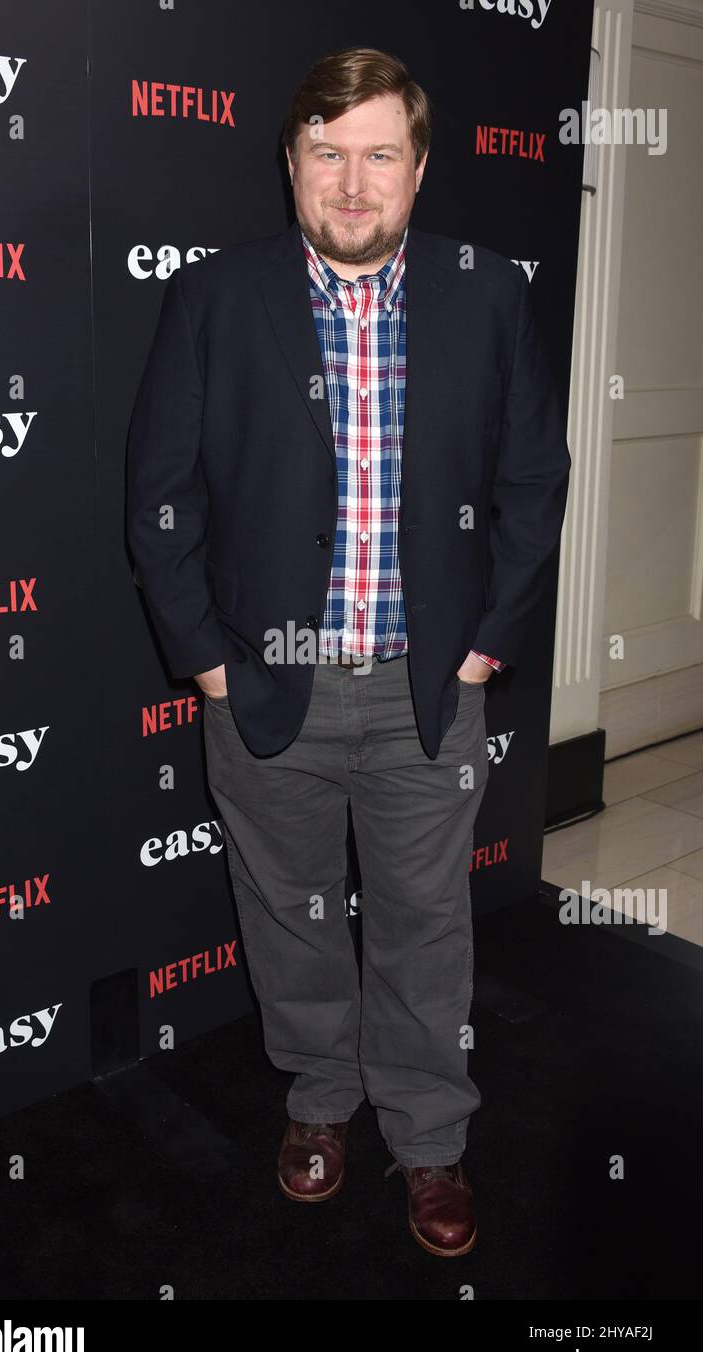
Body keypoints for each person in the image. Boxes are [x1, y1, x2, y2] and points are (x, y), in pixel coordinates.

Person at [126, 46, 571, 1257]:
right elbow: (158, 493)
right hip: (266, 685)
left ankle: (429, 1137)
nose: (353, 181)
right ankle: (319, 1103)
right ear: (290, 167)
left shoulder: (484, 295)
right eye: (329, 153)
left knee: (428, 922)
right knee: (290, 918)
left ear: (419, 170)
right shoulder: (216, 298)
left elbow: (533, 478)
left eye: (379, 153)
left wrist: (486, 645)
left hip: (429, 687)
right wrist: (208, 663)